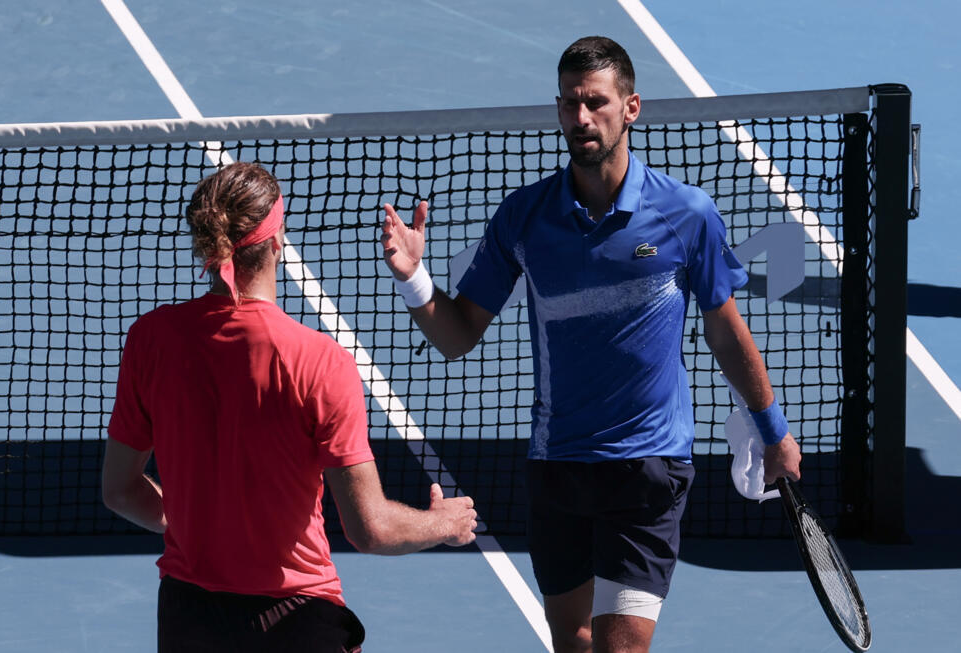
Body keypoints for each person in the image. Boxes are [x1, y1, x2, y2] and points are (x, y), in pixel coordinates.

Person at [379, 36, 802, 653]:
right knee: (573, 642)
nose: (581, 118)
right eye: (570, 103)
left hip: (649, 467)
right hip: (559, 466)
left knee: (621, 647)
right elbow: (459, 334)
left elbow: (725, 330)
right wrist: (415, 279)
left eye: (596, 102)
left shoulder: (687, 215)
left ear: (631, 107)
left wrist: (775, 430)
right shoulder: (524, 218)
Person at [102, 161, 477, 653]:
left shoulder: (151, 339)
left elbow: (121, 491)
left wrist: (204, 525)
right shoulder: (320, 363)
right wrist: (445, 522)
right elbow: (371, 530)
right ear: (277, 242)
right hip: (295, 621)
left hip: (188, 619)